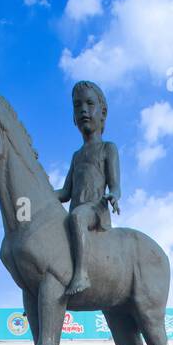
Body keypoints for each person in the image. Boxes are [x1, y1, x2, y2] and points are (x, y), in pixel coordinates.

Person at [56, 81, 121, 297]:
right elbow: (65, 193)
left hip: (95, 210)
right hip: (76, 211)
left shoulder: (107, 148)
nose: (83, 109)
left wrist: (114, 196)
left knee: (76, 218)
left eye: (89, 103)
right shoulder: (77, 156)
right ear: (73, 116)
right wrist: (42, 193)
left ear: (102, 112)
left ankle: (82, 274)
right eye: (77, 105)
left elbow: (115, 185)